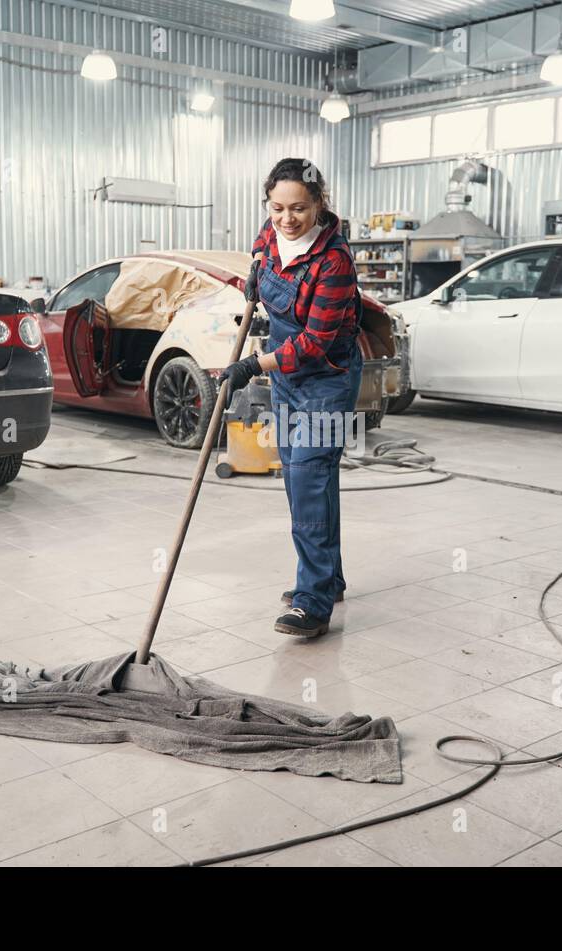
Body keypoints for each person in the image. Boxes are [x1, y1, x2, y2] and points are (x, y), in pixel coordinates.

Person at [218, 157, 363, 638]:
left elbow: (315, 342)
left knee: (307, 479)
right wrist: (250, 283)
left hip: (326, 378)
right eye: (277, 207)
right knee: (308, 481)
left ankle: (313, 601)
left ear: (319, 203)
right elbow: (260, 259)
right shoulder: (267, 232)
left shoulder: (334, 261)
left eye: (298, 208)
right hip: (287, 379)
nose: (286, 219)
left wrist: (251, 365)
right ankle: (329, 577)